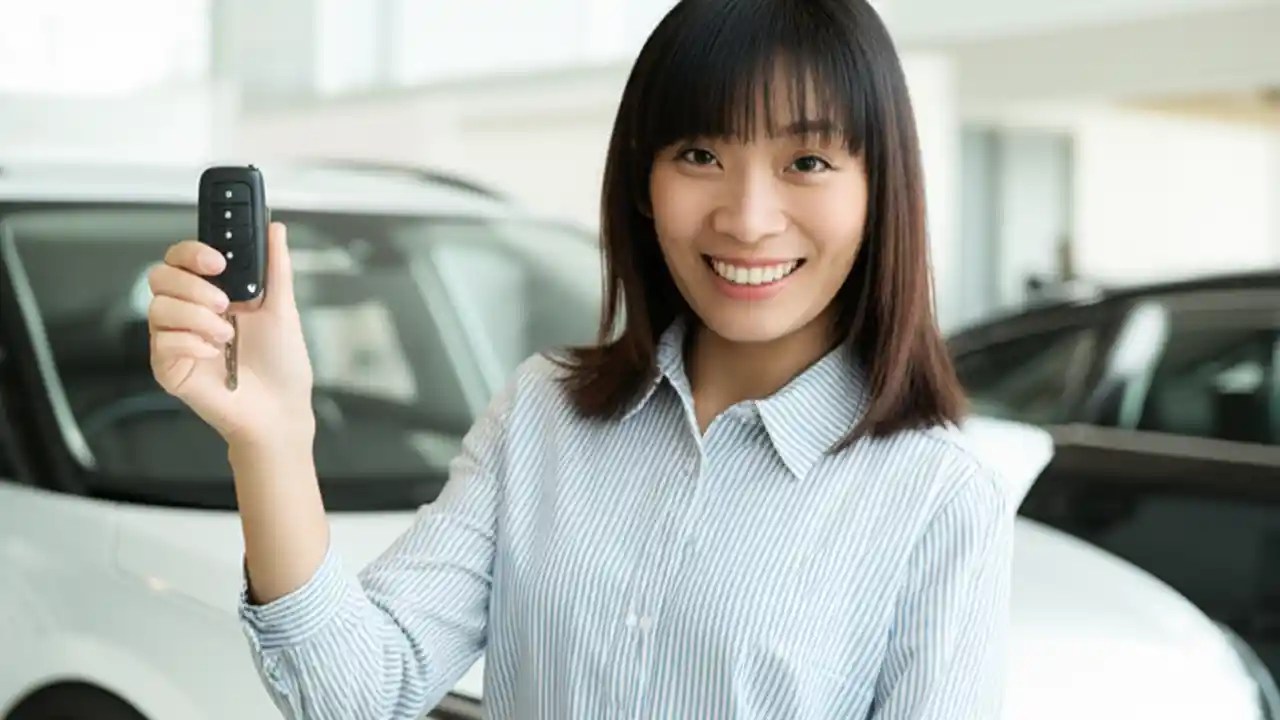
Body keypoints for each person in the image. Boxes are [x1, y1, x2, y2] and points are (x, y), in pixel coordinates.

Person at [146, 1, 1014, 718]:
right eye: (701, 154)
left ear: (879, 189)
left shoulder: (936, 498)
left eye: (808, 161)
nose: (748, 218)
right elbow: (356, 694)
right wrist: (270, 443)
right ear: (645, 179)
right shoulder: (543, 413)